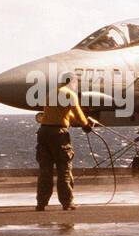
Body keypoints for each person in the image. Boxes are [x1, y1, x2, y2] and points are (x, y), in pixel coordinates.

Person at [35, 72, 96, 211]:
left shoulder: (51, 94)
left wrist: (83, 122)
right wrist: (86, 124)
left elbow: (65, 114)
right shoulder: (70, 94)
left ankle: (41, 203)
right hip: (58, 134)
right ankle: (67, 202)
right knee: (64, 168)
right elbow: (78, 114)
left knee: (45, 170)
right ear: (71, 82)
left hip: (43, 132)